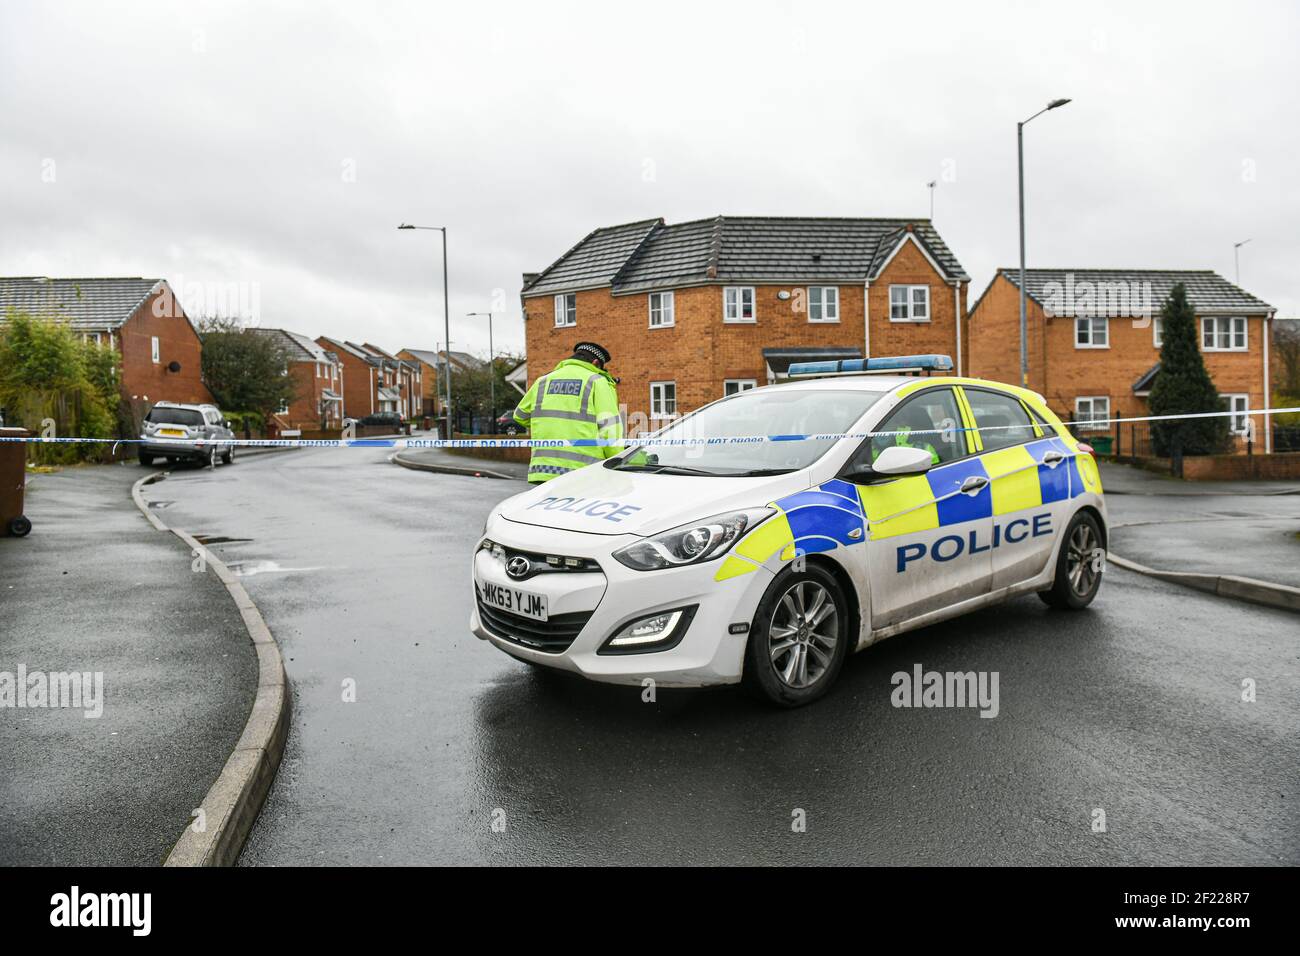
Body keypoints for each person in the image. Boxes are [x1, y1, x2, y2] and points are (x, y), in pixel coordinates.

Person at [512, 342, 624, 483]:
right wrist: (619, 461)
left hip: (543, 471)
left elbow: (520, 416)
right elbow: (609, 429)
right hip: (584, 472)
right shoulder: (597, 381)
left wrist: (548, 423)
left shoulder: (543, 381)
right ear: (596, 363)